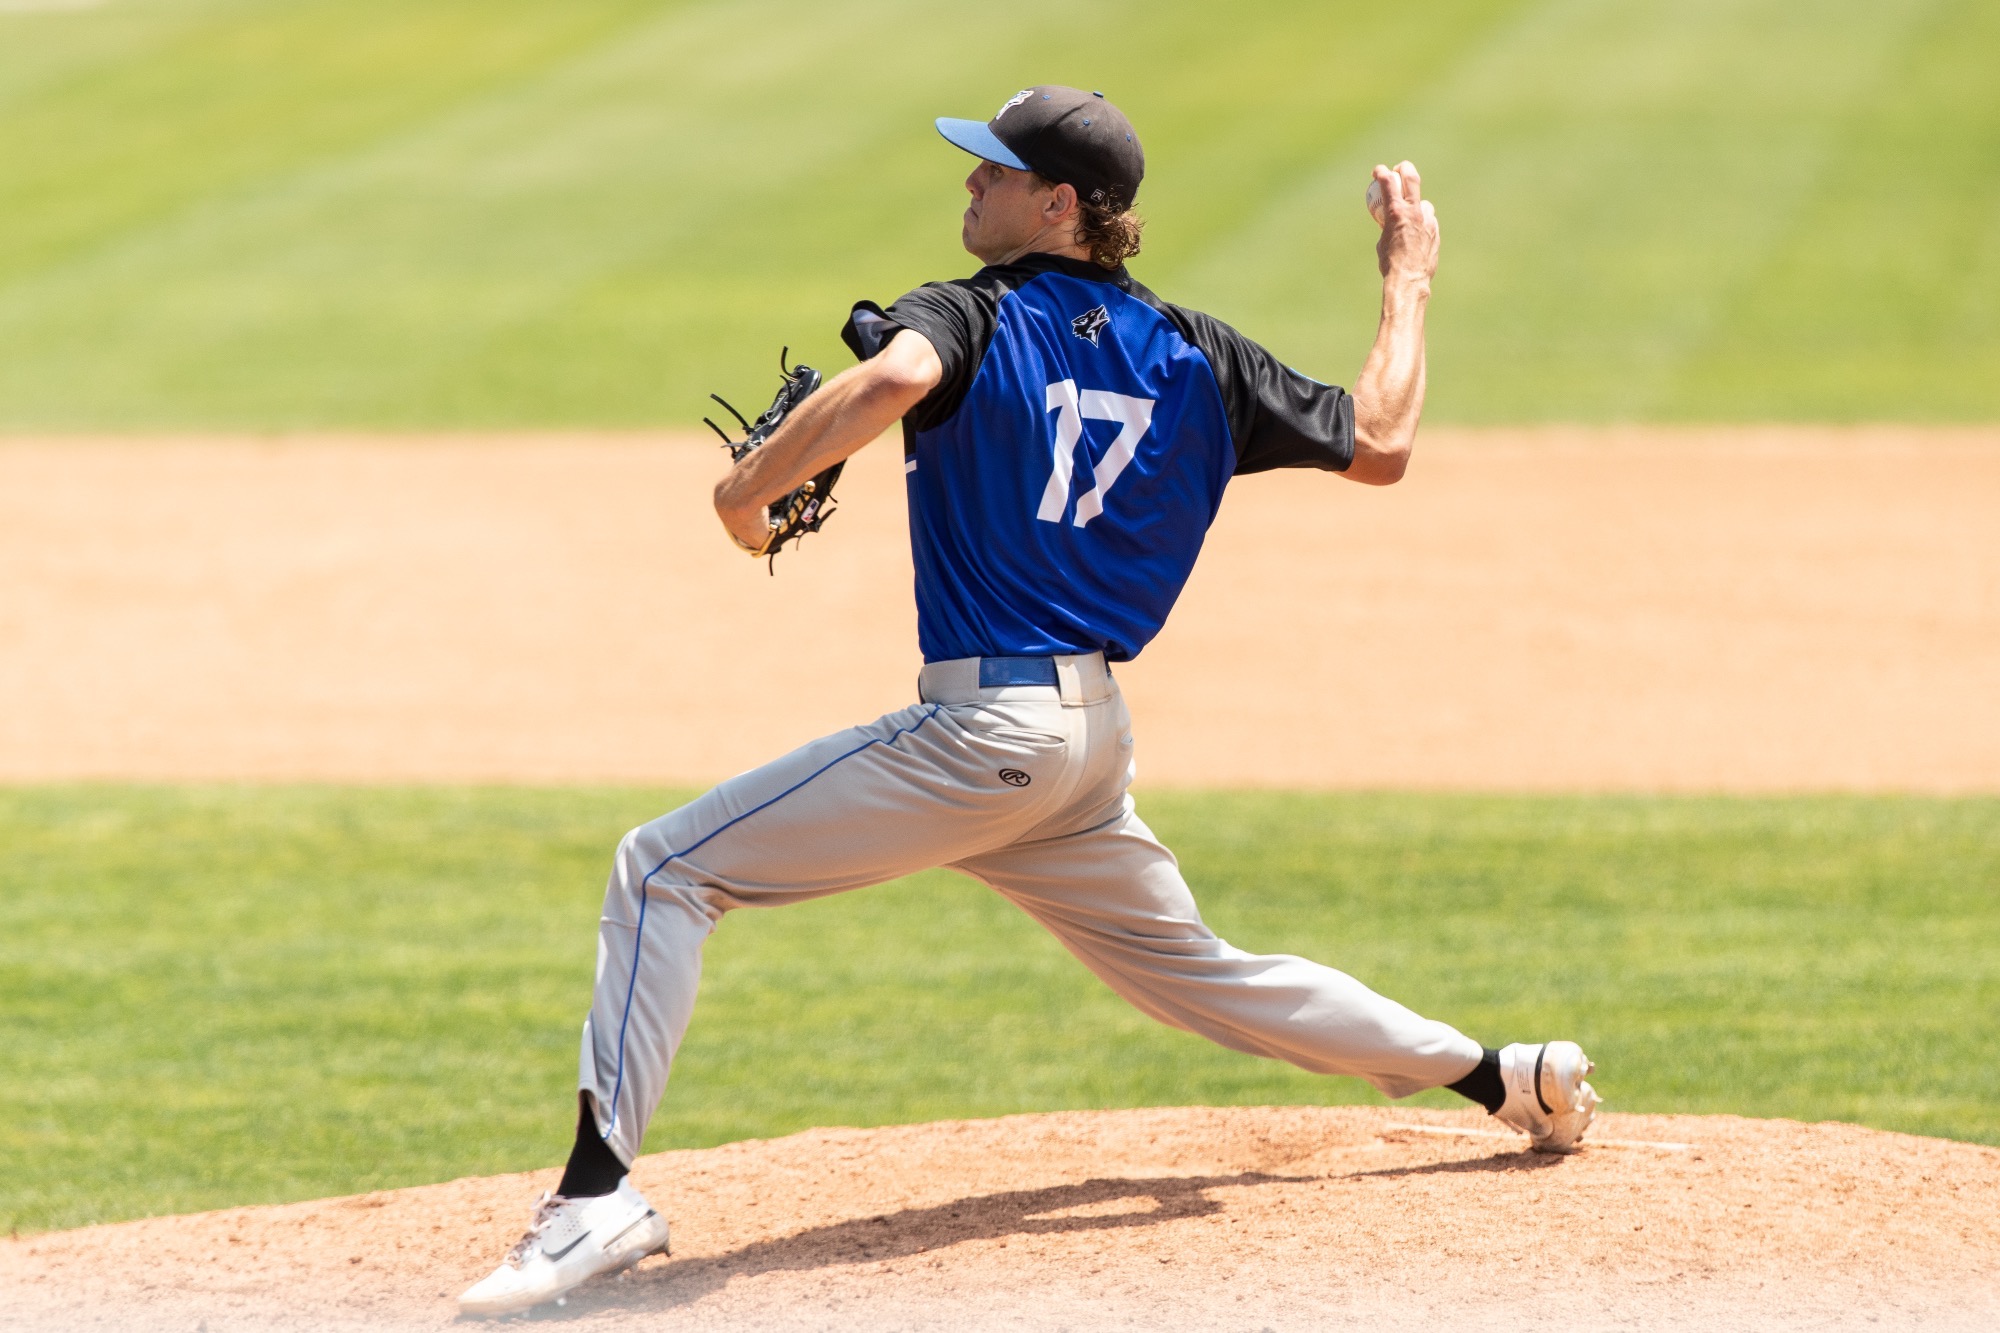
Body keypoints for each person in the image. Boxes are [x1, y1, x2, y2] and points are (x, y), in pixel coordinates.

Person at [459, 85, 1598, 1317]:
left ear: (1059, 206)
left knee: (665, 868)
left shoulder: (967, 311)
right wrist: (1406, 279)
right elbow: (1379, 437)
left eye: (991, 174)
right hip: (1083, 748)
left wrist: (746, 490)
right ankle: (1501, 1077)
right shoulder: (1195, 352)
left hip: (982, 736)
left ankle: (591, 1199)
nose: (968, 187)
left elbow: (896, 373)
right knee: (1208, 975)